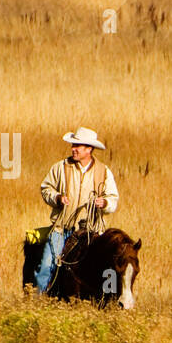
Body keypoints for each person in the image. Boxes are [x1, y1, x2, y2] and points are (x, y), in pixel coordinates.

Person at [33, 126, 120, 294]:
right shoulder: (60, 167)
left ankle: (106, 304)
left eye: (77, 146)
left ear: (89, 149)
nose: (73, 149)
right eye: (73, 145)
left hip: (91, 231)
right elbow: (46, 189)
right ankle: (37, 303)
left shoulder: (103, 172)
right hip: (62, 228)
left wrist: (105, 203)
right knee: (46, 266)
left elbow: (113, 199)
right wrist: (57, 198)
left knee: (105, 269)